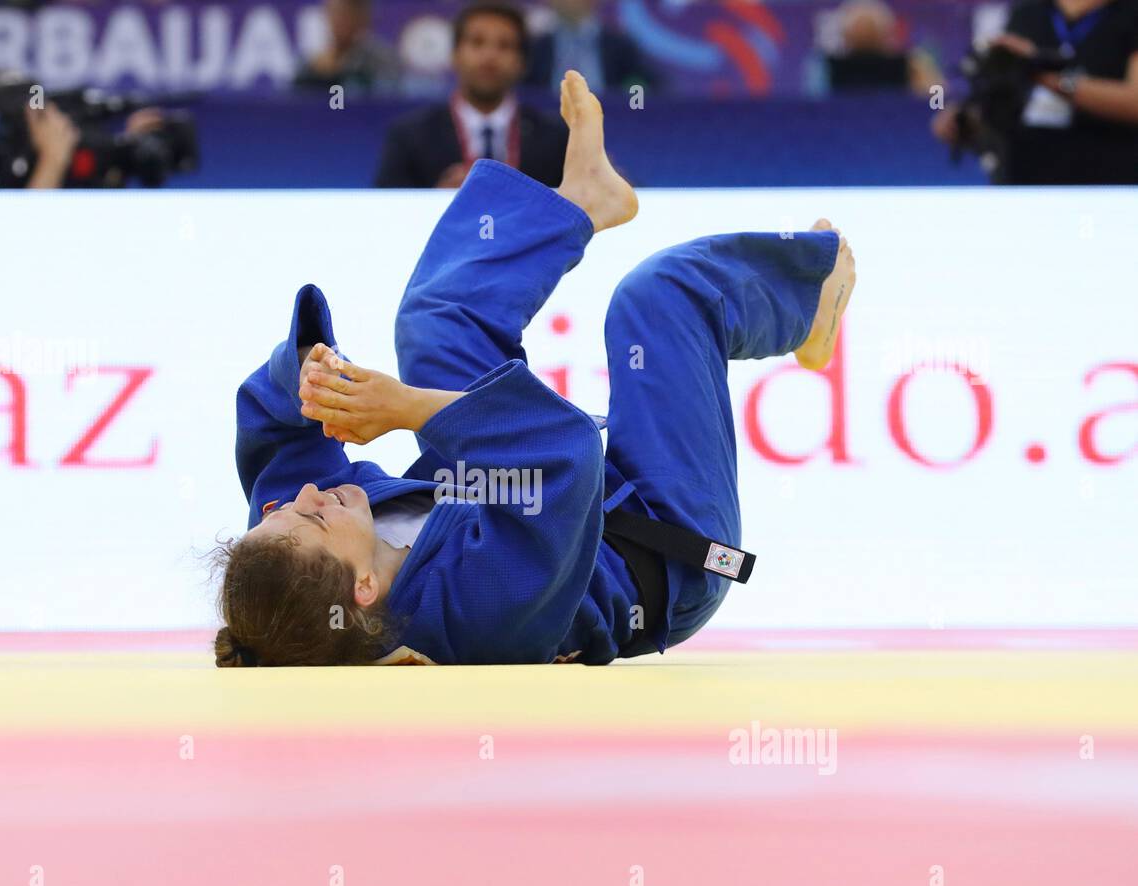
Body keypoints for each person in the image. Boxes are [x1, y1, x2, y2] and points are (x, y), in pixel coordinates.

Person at [219, 70, 855, 667]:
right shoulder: (470, 613)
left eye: (281, 509)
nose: (300, 497)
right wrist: (404, 408)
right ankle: (811, 302)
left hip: (520, 483)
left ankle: (580, 201)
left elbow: (271, 427)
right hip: (660, 544)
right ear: (362, 588)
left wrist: (310, 373)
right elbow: (563, 455)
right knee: (659, 298)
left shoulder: (286, 552)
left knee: (434, 320)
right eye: (311, 516)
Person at [934, 0, 1138, 183]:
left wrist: (1043, 74)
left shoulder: (1129, 13)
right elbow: (1005, 101)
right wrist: (967, 122)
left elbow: (1134, 103)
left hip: (1109, 187)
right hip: (1026, 185)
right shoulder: (1027, 13)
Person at [374, 3, 568, 188]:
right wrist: (434, 202)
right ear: (454, 55)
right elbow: (386, 212)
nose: (490, 55)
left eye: (505, 45)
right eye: (477, 42)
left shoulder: (555, 138)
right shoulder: (410, 136)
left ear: (523, 62)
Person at [524, 0, 660, 93]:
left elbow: (644, 85)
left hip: (611, 123)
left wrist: (634, 107)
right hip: (549, 122)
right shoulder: (538, 48)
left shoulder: (619, 46)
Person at [293, 0, 403, 94]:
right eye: (332, 13)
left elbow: (387, 93)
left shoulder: (382, 59)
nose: (337, 21)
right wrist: (319, 73)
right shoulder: (313, 64)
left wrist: (340, 69)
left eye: (343, 13)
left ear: (362, 16)